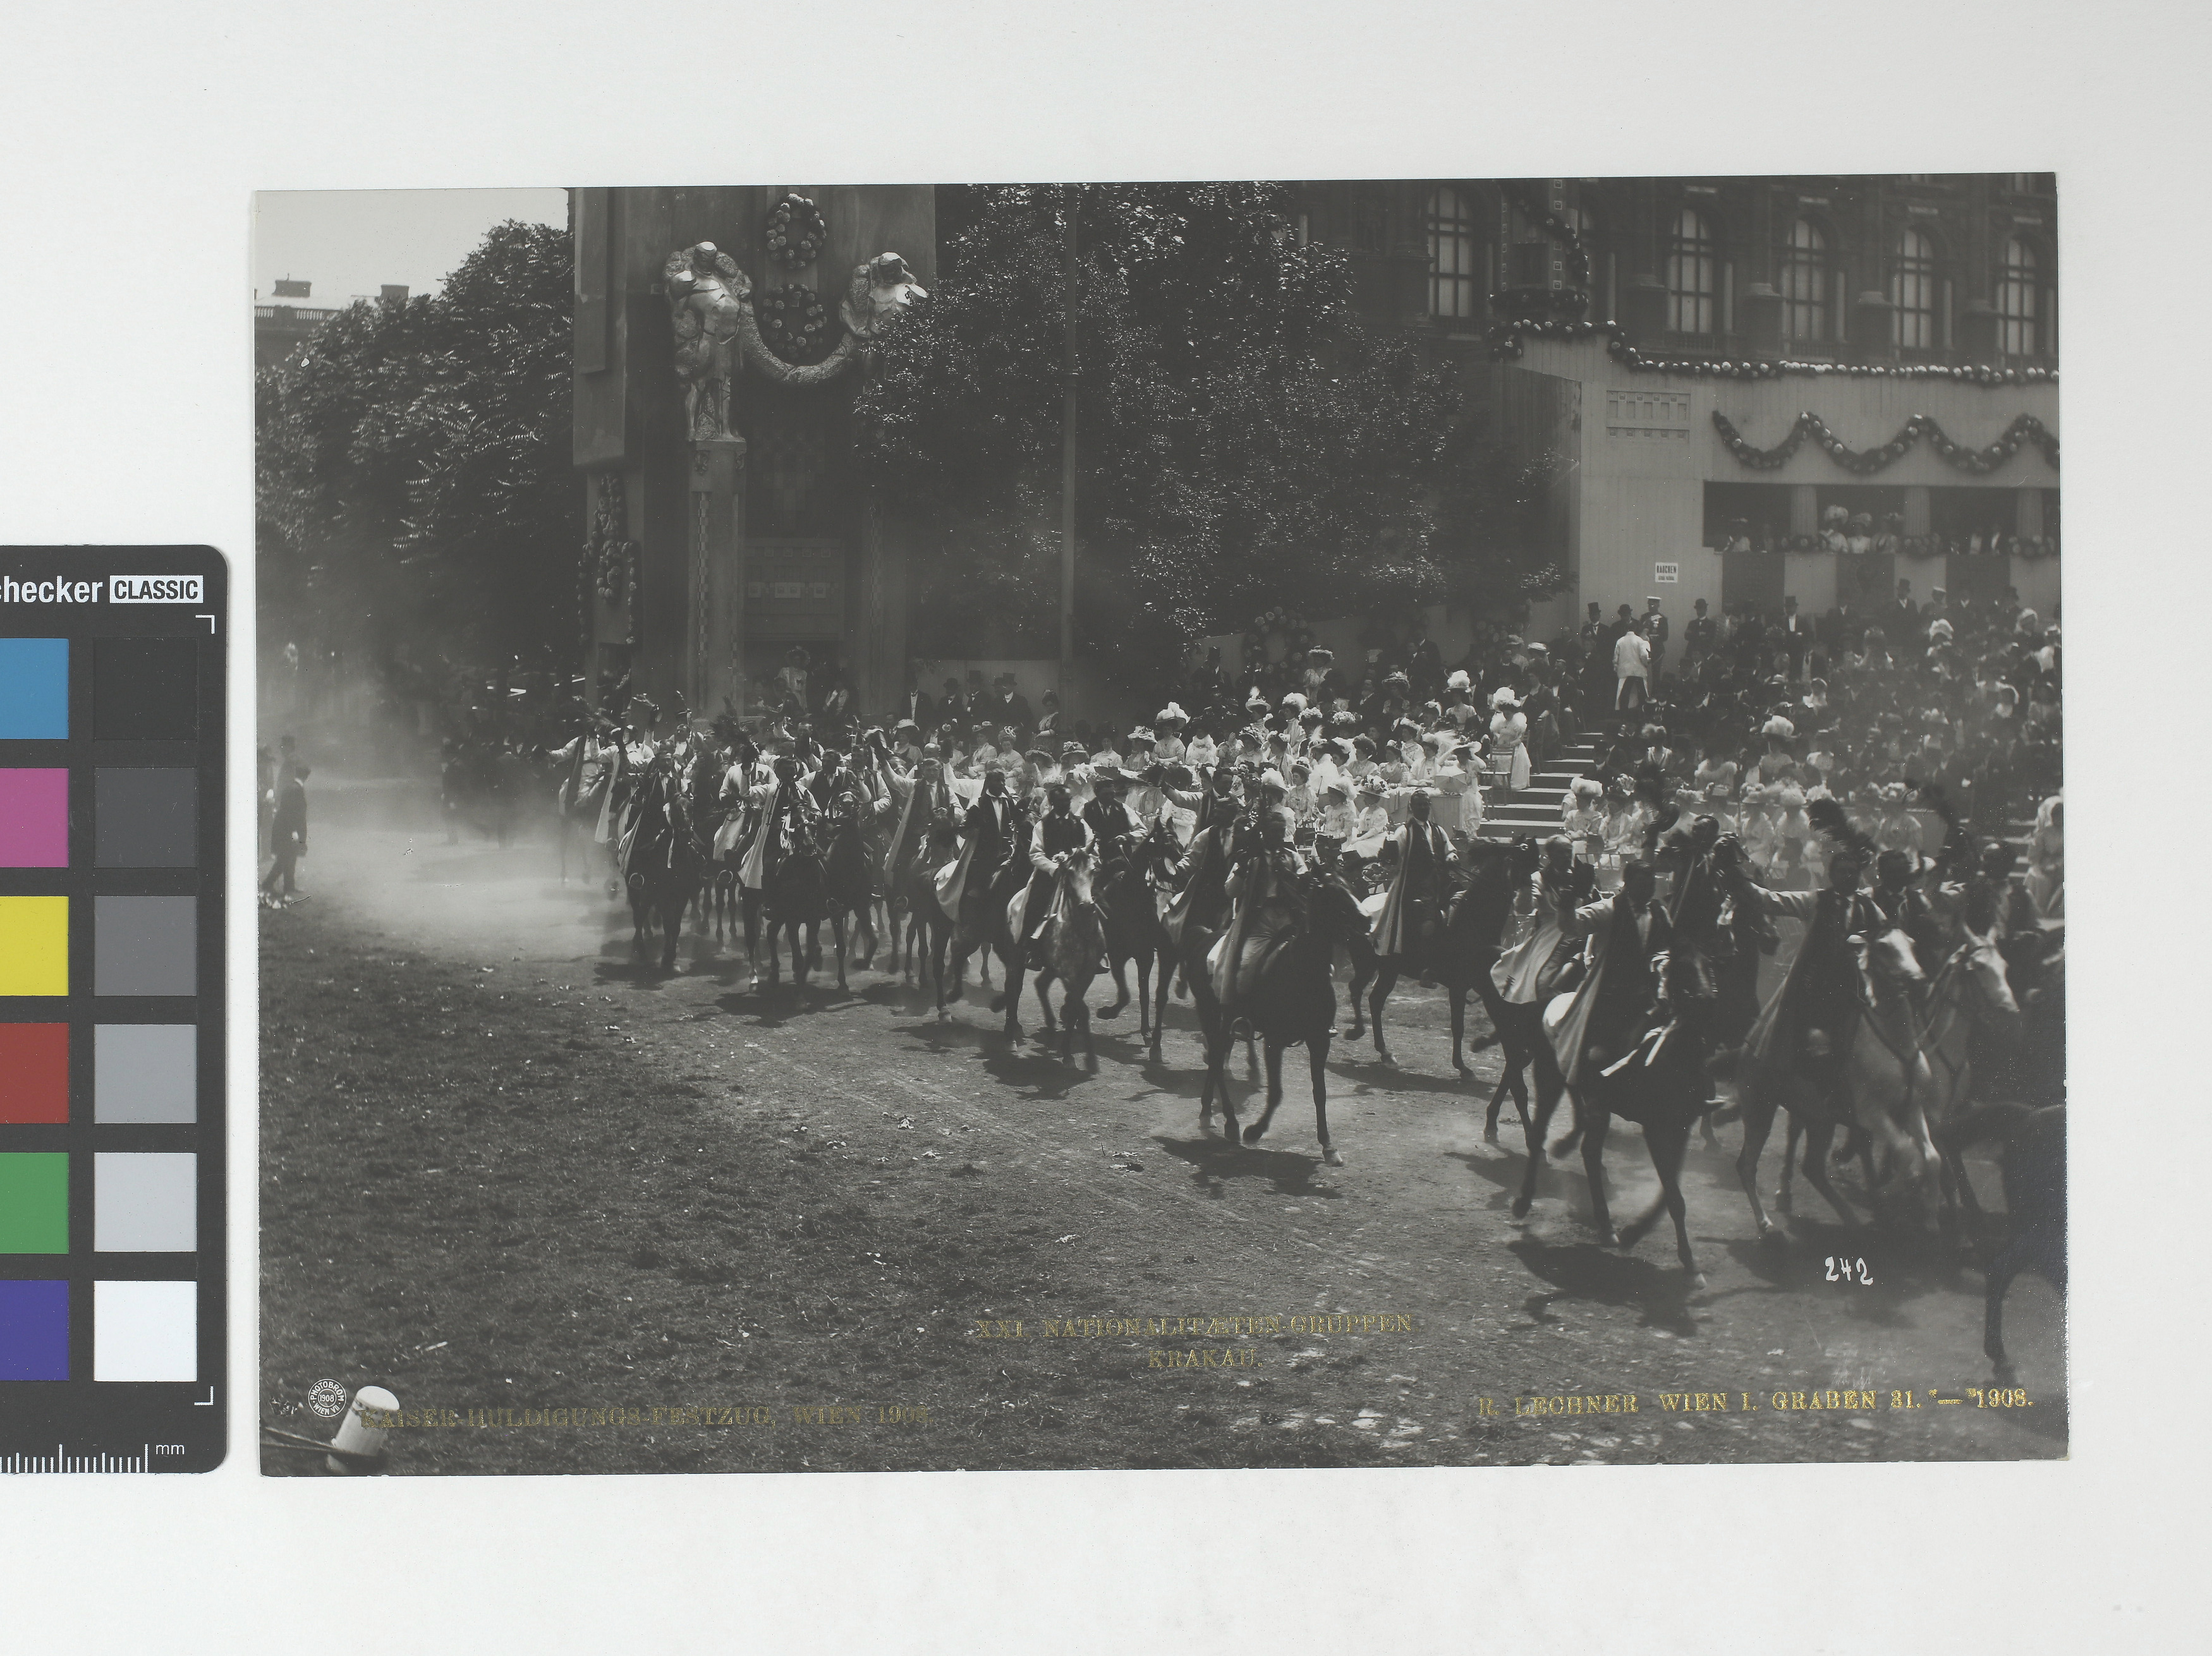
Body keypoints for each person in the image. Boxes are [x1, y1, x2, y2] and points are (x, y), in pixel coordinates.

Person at [261, 763, 310, 904]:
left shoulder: (293, 788)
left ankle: (289, 886)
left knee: (291, 857)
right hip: (287, 829)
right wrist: (294, 830)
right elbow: (290, 812)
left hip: (285, 828)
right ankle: (267, 885)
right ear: (306, 777)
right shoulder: (295, 789)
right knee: (285, 859)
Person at [1613, 615, 1651, 713]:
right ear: (1635, 628)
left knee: (1625, 695)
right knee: (1642, 695)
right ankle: (1643, 713)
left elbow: (1615, 658)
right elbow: (1644, 656)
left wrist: (1617, 669)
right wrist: (1645, 664)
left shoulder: (1620, 641)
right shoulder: (1640, 641)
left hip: (1625, 672)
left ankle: (1624, 715)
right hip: (1638, 671)